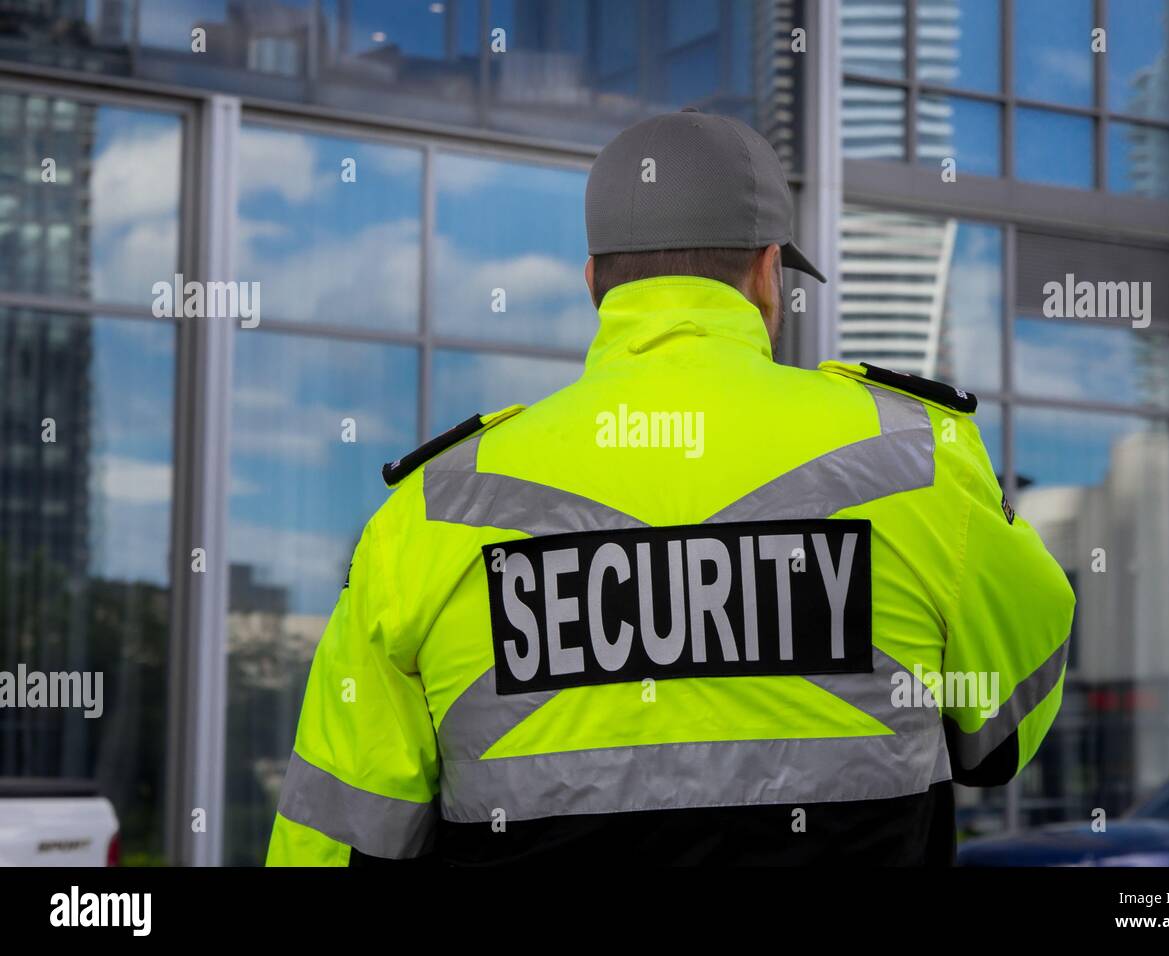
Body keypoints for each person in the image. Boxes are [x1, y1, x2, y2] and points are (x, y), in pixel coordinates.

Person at [266, 109, 1075, 866]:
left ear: (594, 282)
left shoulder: (431, 508)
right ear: (768, 273)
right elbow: (1002, 736)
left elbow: (339, 837)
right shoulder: (920, 458)